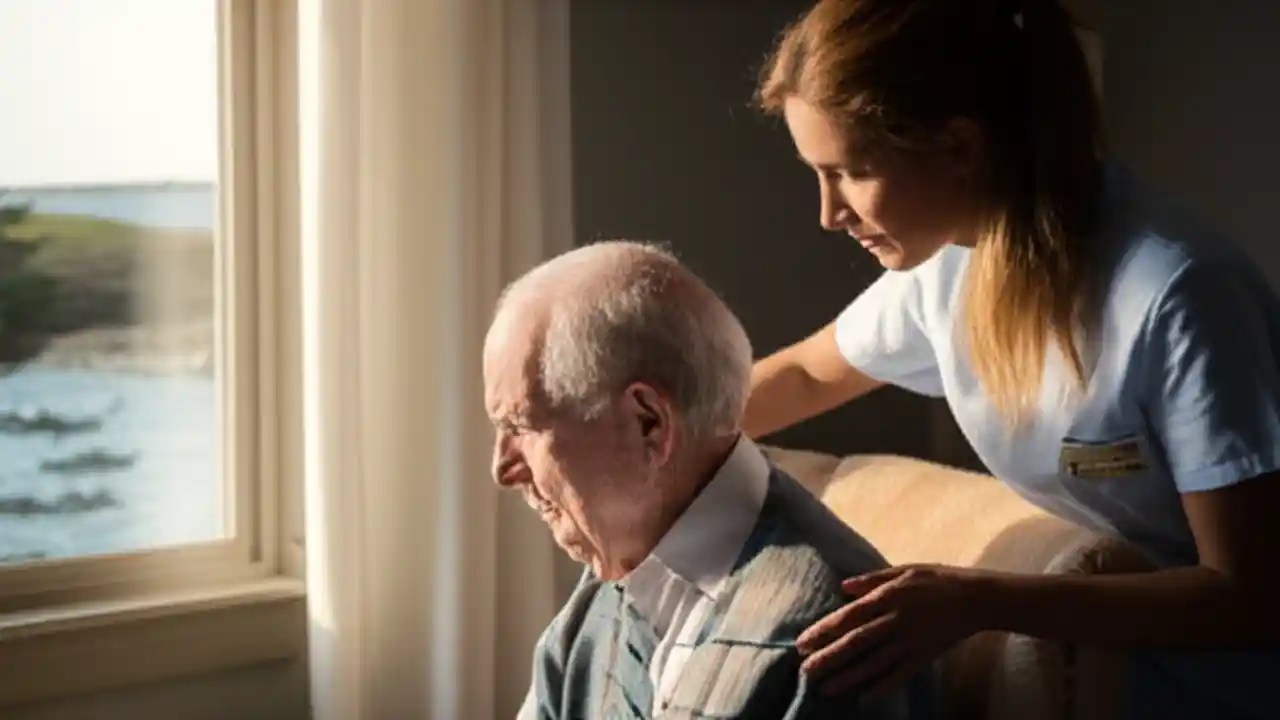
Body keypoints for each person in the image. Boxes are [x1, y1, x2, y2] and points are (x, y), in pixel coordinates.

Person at [745, 0, 1280, 716]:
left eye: (850, 172)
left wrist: (980, 600)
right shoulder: (951, 266)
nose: (829, 213)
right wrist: (644, 445)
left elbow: (1249, 595)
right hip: (1119, 662)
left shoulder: (1179, 297)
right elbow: (807, 376)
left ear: (961, 146)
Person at [485, 241, 938, 719]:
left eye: (521, 427)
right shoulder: (610, 582)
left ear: (648, 424)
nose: (503, 468)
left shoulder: (836, 641)